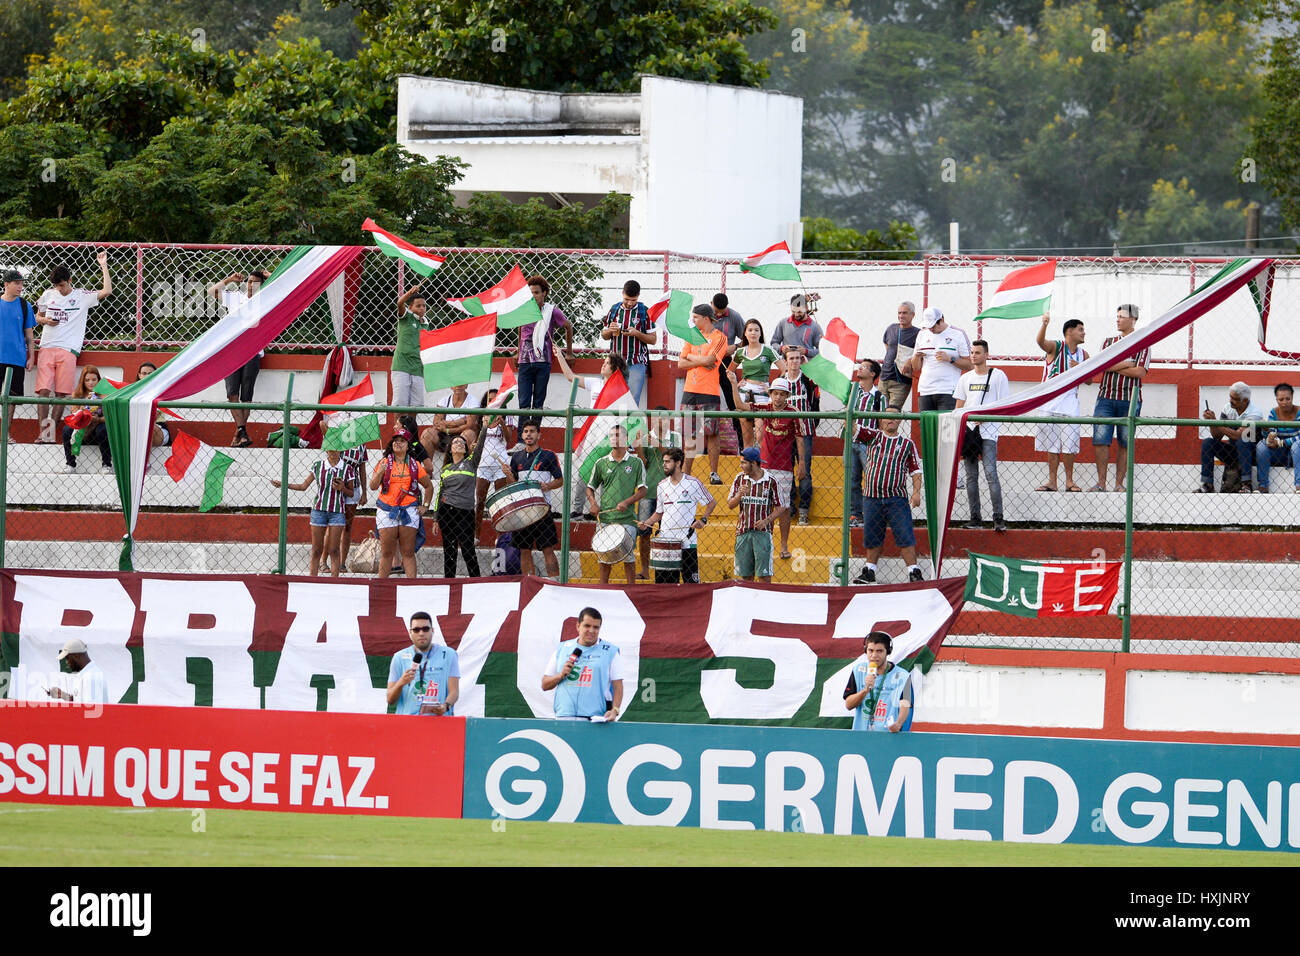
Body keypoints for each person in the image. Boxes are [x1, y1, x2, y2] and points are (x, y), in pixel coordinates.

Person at [34, 253, 112, 444]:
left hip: (69, 349)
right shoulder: (48, 294)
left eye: (62, 285)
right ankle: (44, 433)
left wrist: (103, 265)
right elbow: (38, 316)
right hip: (47, 346)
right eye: (56, 286)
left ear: (70, 280)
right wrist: (45, 320)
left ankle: (51, 434)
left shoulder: (82, 296)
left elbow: (107, 291)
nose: (59, 289)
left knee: (61, 394)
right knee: (43, 391)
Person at [729, 373, 800, 559]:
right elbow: (740, 406)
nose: (778, 397)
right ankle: (762, 542)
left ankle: (784, 545)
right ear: (770, 394)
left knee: (783, 507)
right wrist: (734, 384)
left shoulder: (794, 412)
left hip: (784, 466)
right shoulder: (764, 407)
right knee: (760, 504)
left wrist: (803, 464)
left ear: (787, 396)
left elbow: (800, 439)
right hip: (765, 465)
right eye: (775, 393)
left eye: (782, 394)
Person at [852, 404, 924, 584]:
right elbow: (852, 429)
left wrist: (916, 492)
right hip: (871, 497)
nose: (890, 419)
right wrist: (849, 410)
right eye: (887, 416)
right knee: (872, 534)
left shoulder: (907, 444)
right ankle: (869, 571)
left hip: (896, 498)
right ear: (881, 419)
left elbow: (916, 471)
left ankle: (913, 572)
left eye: (894, 416)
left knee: (904, 533)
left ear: (900, 420)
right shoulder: (874, 436)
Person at [555, 347, 628, 519]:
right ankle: (577, 509)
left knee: (606, 471)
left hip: (608, 435)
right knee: (584, 469)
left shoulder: (621, 388)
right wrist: (560, 356)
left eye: (607, 363)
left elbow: (624, 415)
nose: (603, 365)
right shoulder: (595, 383)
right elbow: (570, 377)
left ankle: (599, 509)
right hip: (592, 432)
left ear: (615, 368)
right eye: (604, 362)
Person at [271, 447, 357, 577]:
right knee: (316, 549)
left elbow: (351, 493)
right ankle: (312, 580)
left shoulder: (347, 468)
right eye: (330, 449)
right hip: (319, 510)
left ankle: (334, 582)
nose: (333, 452)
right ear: (326, 450)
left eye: (336, 449)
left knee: (334, 550)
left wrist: (342, 488)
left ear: (340, 450)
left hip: (337, 511)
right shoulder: (318, 466)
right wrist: (284, 484)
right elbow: (303, 486)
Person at [1090, 304, 1149, 492]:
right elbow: (1100, 366)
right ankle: (1101, 483)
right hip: (1105, 397)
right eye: (1117, 316)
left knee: (1125, 443)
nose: (1118, 320)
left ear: (1133, 319)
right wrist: (1125, 363)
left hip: (1130, 400)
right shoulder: (1108, 342)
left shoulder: (1143, 343)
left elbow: (1140, 372)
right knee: (1101, 440)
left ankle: (1119, 484)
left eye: (1122, 316)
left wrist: (1112, 364)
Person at [208, 268, 270, 447]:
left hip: (252, 351)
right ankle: (242, 431)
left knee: (246, 396)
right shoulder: (236, 298)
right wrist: (229, 279)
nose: (251, 285)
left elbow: (285, 288)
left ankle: (239, 433)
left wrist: (270, 276)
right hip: (232, 351)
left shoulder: (266, 300)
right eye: (249, 281)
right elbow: (212, 291)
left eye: (256, 282)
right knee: (232, 393)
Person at [953, 340, 1010, 531]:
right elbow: (959, 406)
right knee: (970, 477)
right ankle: (975, 517)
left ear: (987, 354)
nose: (974, 355)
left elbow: (1004, 404)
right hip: (969, 432)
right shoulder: (965, 378)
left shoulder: (998, 376)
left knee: (990, 473)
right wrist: (960, 424)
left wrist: (985, 418)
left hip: (989, 432)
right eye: (972, 352)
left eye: (978, 352)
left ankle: (998, 518)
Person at [639, 447, 715, 583]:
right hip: (666, 541)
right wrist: (647, 523)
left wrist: (703, 520)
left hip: (687, 541)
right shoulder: (661, 485)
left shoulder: (693, 483)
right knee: (665, 586)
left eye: (668, 462)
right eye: (663, 462)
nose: (664, 465)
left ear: (678, 463)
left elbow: (711, 502)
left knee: (690, 585)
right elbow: (659, 512)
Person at [500, 416, 564, 577]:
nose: (529, 434)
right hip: (522, 510)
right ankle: (529, 583)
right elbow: (513, 485)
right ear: (522, 436)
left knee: (548, 548)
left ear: (539, 435)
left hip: (542, 509)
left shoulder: (548, 455)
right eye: (526, 432)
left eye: (532, 432)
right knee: (524, 549)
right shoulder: (516, 457)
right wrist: (508, 475)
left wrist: (548, 486)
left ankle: (555, 583)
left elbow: (560, 480)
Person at [369, 428, 434, 578]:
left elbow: (428, 486)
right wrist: (380, 472)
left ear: (408, 445)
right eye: (396, 440)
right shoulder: (384, 462)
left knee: (408, 552)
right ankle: (381, 589)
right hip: (386, 510)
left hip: (408, 510)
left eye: (402, 441)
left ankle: (411, 588)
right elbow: (373, 486)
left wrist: (425, 505)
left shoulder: (414, 464)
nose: (398, 443)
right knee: (386, 553)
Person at [587, 423, 647, 585]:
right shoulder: (601, 463)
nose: (614, 438)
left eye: (618, 435)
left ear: (626, 439)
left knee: (628, 556)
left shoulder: (636, 463)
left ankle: (631, 590)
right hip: (605, 519)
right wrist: (593, 503)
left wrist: (627, 502)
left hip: (627, 519)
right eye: (612, 435)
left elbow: (642, 491)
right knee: (604, 558)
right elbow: (590, 488)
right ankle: (603, 589)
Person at [1034, 312, 1087, 492]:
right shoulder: (1057, 346)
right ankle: (1052, 481)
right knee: (1052, 445)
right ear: (1069, 331)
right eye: (1080, 329)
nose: (1084, 333)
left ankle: (1069, 481)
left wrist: (1081, 369)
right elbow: (1040, 342)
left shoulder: (1083, 354)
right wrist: (1045, 324)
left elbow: (1089, 381)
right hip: (1050, 401)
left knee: (1070, 443)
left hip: (1070, 401)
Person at [678, 303, 730, 484]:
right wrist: (696, 360)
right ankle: (686, 473)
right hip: (689, 391)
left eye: (695, 317)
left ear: (706, 318)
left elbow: (711, 360)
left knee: (712, 433)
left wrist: (690, 358)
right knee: (689, 434)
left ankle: (713, 473)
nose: (693, 320)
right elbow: (680, 363)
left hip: (709, 391)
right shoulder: (691, 336)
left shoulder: (720, 337)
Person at [540, 606, 623, 721]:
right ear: (578, 626)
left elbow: (618, 685)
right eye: (587, 626)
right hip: (564, 716)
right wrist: (560, 675)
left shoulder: (610, 651)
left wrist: (615, 710)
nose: (592, 631)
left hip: (595, 718)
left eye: (596, 627)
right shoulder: (562, 648)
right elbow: (545, 684)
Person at [517, 275, 572, 428]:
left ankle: (534, 436)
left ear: (544, 293)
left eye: (536, 292)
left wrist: (569, 352)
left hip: (543, 361)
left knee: (538, 402)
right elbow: (520, 329)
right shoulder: (525, 310)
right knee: (523, 403)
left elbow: (568, 326)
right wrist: (518, 351)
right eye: (531, 293)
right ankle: (522, 440)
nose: (533, 296)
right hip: (524, 361)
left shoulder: (551, 311)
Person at [432, 427, 488, 578]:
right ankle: (449, 583)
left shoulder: (471, 463)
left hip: (465, 513)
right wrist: (436, 518)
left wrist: (484, 427)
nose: (459, 443)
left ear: (466, 449)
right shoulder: (446, 469)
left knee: (468, 550)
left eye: (462, 442)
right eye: (455, 442)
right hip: (446, 513)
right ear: (450, 449)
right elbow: (440, 493)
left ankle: (476, 582)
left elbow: (481, 445)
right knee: (449, 551)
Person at [634, 409, 682, 579]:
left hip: (670, 492)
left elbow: (675, 459)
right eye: (655, 417)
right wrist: (639, 448)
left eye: (662, 417)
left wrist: (657, 444)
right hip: (649, 490)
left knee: (668, 532)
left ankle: (667, 570)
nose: (659, 420)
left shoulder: (675, 436)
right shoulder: (646, 437)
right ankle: (645, 570)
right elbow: (644, 464)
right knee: (644, 532)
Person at [727, 446, 786, 583]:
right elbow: (730, 505)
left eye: (744, 463)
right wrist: (739, 495)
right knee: (746, 576)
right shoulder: (739, 479)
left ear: (753, 463)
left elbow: (781, 507)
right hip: (743, 532)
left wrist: (766, 521)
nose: (741, 466)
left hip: (763, 533)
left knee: (764, 576)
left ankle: (763, 602)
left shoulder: (770, 481)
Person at [386, 611, 460, 715]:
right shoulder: (399, 657)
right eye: (416, 630)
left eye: (425, 629)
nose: (421, 633)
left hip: (439, 721)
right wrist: (401, 683)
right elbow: (390, 700)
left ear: (432, 630)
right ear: (410, 632)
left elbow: (454, 691)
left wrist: (446, 706)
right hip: (408, 723)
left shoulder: (449, 654)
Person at [1198, 382, 1264, 493]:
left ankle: (1246, 484)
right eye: (1230, 397)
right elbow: (1217, 436)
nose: (1230, 400)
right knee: (1208, 443)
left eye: (1234, 398)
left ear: (1245, 401)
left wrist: (1216, 423)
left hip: (1250, 454)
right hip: (1232, 452)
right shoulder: (1227, 408)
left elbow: (1238, 435)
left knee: (1243, 441)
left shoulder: (1255, 413)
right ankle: (1208, 484)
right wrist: (1212, 422)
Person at [903, 305, 971, 413]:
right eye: (928, 326)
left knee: (946, 427)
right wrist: (916, 357)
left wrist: (950, 359)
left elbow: (969, 365)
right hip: (925, 389)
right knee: (926, 428)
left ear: (942, 320)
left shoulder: (958, 334)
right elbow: (916, 367)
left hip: (948, 389)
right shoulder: (922, 334)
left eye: (933, 325)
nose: (931, 329)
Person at [842, 631, 913, 732]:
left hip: (888, 737)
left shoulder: (904, 676)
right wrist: (865, 690)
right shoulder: (858, 670)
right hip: (861, 737)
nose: (874, 655)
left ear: (888, 651)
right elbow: (848, 705)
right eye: (870, 650)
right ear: (865, 650)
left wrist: (899, 723)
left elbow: (906, 704)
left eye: (879, 651)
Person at [601, 280, 655, 404]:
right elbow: (604, 335)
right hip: (614, 364)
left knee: (631, 401)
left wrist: (637, 333)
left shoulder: (644, 311)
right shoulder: (614, 309)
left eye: (633, 300)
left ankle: (626, 424)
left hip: (636, 362)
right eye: (626, 299)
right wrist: (610, 330)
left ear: (638, 296)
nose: (630, 303)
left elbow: (653, 339)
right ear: (622, 294)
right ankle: (613, 424)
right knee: (610, 399)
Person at [849, 359, 888, 529]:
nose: (860, 368)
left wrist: (877, 444)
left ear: (873, 374)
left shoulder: (879, 397)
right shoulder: (852, 393)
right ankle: (855, 515)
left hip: (869, 444)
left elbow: (882, 423)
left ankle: (873, 514)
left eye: (864, 367)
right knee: (852, 480)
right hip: (851, 442)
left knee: (872, 480)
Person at [782, 350, 819, 525]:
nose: (795, 361)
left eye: (798, 358)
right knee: (786, 471)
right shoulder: (781, 382)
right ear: (786, 361)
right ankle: (789, 507)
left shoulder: (807, 380)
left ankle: (803, 511)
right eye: (792, 358)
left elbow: (816, 404)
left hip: (805, 432)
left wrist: (810, 425)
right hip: (785, 434)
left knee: (804, 471)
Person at [0, 270, 36, 441]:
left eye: (21, 283)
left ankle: (5, 434)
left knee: (12, 400)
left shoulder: (24, 305)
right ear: (6, 284)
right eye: (17, 283)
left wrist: (32, 357)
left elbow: (29, 335)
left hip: (16, 359)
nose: (20, 287)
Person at [733, 318, 778, 448]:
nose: (753, 333)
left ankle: (764, 466)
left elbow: (784, 370)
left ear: (760, 333)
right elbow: (729, 371)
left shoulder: (768, 351)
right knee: (747, 437)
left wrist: (772, 387)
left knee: (761, 435)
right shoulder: (741, 352)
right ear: (745, 334)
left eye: (756, 330)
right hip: (744, 393)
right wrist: (736, 384)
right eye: (750, 330)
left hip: (762, 394)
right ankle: (748, 466)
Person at [474, 389, 515, 535]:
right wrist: (485, 425)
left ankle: (500, 537)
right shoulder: (482, 416)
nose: (492, 402)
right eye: (489, 399)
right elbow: (477, 440)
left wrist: (502, 422)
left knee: (499, 503)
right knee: (479, 502)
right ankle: (476, 536)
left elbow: (509, 439)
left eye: (495, 399)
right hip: (483, 463)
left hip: (500, 463)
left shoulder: (506, 415)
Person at [421, 384, 481, 476]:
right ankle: (427, 472)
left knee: (468, 433)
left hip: (461, 435)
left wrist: (447, 427)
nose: (458, 386)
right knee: (427, 433)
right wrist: (462, 420)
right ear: (451, 387)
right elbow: (436, 423)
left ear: (466, 386)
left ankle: (462, 471)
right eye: (455, 383)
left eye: (462, 383)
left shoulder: (472, 401)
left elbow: (470, 425)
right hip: (443, 436)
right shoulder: (444, 400)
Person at [61, 365, 111, 473]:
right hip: (82, 431)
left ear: (99, 380)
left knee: (103, 429)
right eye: (87, 380)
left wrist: (98, 420)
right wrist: (85, 404)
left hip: (98, 432)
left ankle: (107, 465)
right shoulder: (78, 394)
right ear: (83, 381)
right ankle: (70, 464)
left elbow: (110, 417)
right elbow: (74, 414)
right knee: (66, 430)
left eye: (94, 379)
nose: (91, 383)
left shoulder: (104, 394)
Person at [1255, 382, 1300, 493]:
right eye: (1281, 399)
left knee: (1297, 445)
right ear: (1276, 400)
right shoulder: (1273, 413)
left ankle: (1299, 486)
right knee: (1261, 445)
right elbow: (1272, 434)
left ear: (1292, 397)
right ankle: (1263, 486)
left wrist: (1281, 443)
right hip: (1280, 454)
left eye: (1287, 399)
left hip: (1296, 453)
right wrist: (1267, 433)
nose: (1284, 402)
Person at [392, 283, 430, 412]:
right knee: (400, 405)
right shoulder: (406, 318)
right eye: (418, 306)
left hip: (418, 368)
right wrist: (410, 292)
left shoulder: (425, 324)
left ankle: (411, 431)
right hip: (402, 366)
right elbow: (399, 303)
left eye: (424, 306)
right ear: (410, 307)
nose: (422, 308)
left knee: (416, 406)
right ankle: (399, 431)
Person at [46, 637, 109, 705]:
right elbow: (82, 703)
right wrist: (63, 695)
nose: (67, 662)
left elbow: (92, 711)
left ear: (76, 656)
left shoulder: (90, 678)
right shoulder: (87, 674)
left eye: (67, 658)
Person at [880, 301, 919, 410]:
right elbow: (887, 345)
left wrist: (910, 360)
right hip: (883, 378)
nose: (901, 316)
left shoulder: (918, 334)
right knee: (878, 415)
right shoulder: (891, 328)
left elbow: (921, 354)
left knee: (891, 416)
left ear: (913, 315)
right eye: (899, 313)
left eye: (905, 313)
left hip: (901, 382)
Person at [770, 293, 823, 359]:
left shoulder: (815, 327)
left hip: (807, 367)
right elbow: (773, 344)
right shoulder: (783, 323)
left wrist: (806, 352)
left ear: (806, 308)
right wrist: (781, 348)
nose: (796, 314)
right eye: (793, 311)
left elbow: (823, 351)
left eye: (799, 312)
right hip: (787, 367)